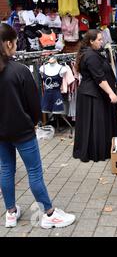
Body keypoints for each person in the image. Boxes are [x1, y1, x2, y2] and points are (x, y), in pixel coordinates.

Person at [0, 23, 76, 229]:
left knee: (6, 169)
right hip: (22, 130)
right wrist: (33, 122)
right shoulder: (20, 70)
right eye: (15, 42)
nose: (16, 45)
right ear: (8, 44)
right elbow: (35, 103)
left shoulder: (16, 70)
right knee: (34, 171)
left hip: (1, 132)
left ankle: (10, 212)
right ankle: (49, 213)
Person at [73, 29, 117, 162]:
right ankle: (95, 151)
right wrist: (111, 93)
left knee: (95, 124)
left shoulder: (90, 53)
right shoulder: (91, 56)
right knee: (95, 124)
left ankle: (99, 150)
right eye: (99, 40)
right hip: (92, 95)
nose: (101, 42)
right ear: (91, 41)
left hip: (92, 93)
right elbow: (99, 78)